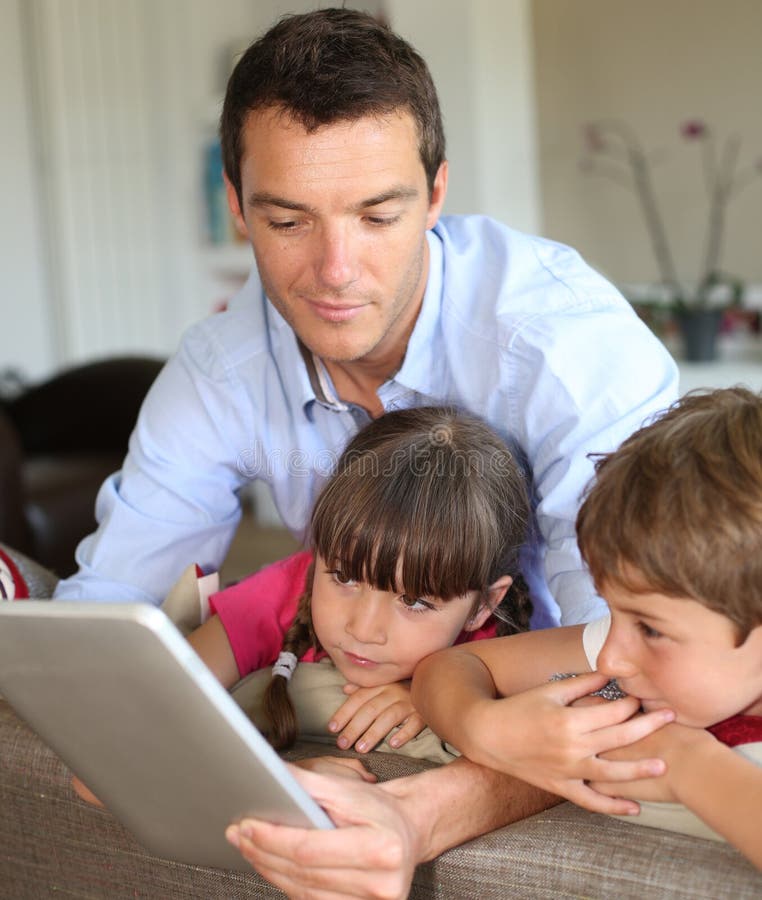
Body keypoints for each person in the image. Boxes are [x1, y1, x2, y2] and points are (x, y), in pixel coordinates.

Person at [53, 7, 678, 895]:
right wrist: (106, 732)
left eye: (379, 215)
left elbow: (642, 661)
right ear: (236, 206)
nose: (337, 271)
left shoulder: (568, 354)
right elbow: (104, 620)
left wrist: (420, 812)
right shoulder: (221, 367)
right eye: (289, 222)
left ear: (436, 193)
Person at [412, 388, 762, 870]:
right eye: (615, 612)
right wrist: (480, 725)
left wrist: (689, 766)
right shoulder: (643, 645)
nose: (611, 659)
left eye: (652, 630)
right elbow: (450, 665)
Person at [188, 405, 532, 758]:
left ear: (484, 605)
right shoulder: (279, 592)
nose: (363, 630)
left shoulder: (499, 656)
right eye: (344, 576)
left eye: (413, 600)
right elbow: (169, 693)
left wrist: (439, 696)